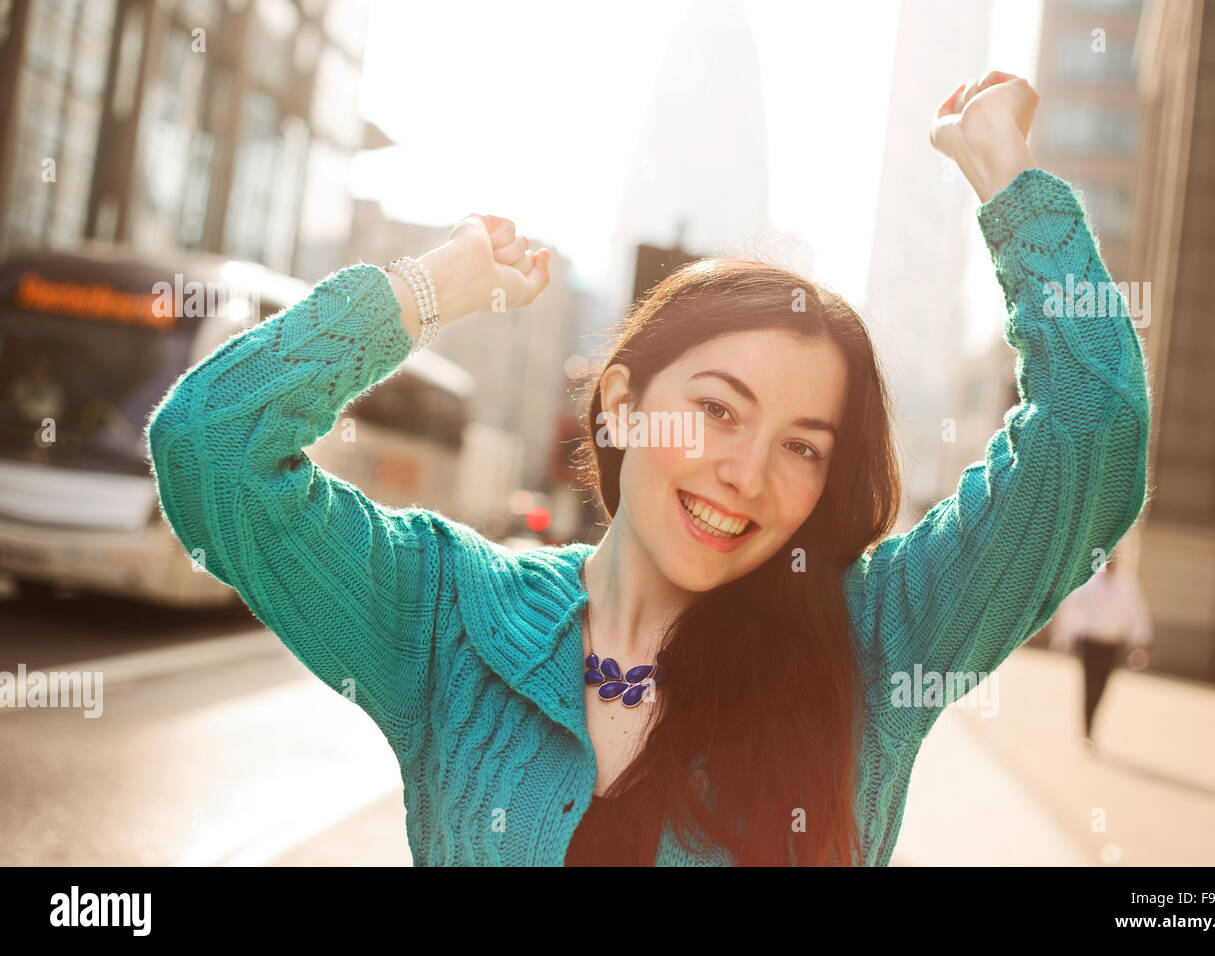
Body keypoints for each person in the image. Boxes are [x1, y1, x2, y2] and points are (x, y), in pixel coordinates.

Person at [145, 70, 1151, 866]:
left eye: (804, 445)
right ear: (622, 406)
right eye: (716, 409)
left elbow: (1094, 431)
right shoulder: (445, 610)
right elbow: (208, 449)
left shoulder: (881, 637)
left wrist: (1011, 190)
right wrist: (423, 288)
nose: (746, 472)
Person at [1050, 552, 1153, 751]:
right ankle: (1087, 732)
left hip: (1112, 645)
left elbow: (1137, 614)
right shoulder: (1088, 585)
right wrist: (1063, 637)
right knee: (1089, 685)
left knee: (1102, 687)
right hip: (1089, 642)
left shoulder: (1127, 586)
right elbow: (1071, 610)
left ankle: (1092, 726)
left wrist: (1140, 643)